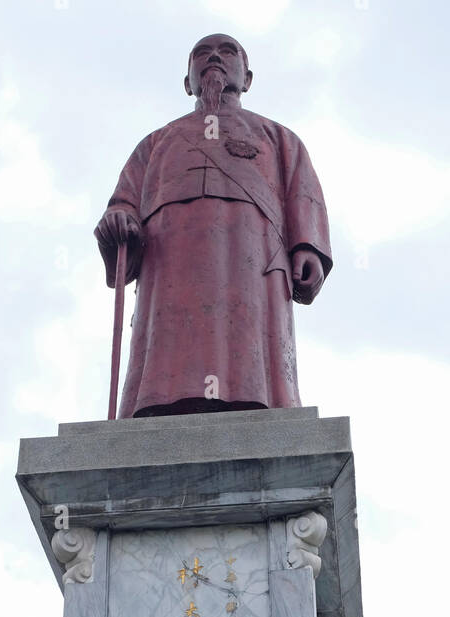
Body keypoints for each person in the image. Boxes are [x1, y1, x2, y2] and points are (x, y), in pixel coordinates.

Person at [94, 33, 332, 417]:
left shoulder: (279, 138)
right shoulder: (156, 143)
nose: (215, 58)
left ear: (248, 78)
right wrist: (120, 219)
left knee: (252, 336)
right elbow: (123, 201)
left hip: (252, 257)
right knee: (168, 337)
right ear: (188, 82)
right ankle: (157, 403)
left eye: (227, 52)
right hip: (171, 259)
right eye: (202, 53)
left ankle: (259, 398)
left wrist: (307, 246)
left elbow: (301, 193)